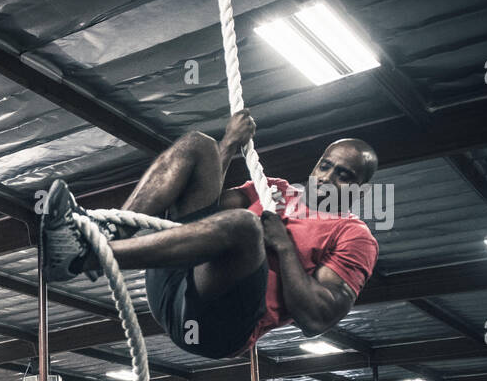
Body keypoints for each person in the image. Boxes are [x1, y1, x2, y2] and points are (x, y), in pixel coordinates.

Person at [43, 111, 379, 359]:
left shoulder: (354, 235)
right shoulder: (274, 189)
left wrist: (283, 245)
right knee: (197, 145)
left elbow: (315, 317)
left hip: (216, 328)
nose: (327, 178)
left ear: (361, 192)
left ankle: (86, 256)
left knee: (245, 225)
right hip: (176, 284)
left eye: (344, 175)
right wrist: (231, 142)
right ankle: (110, 230)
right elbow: (202, 201)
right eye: (325, 165)